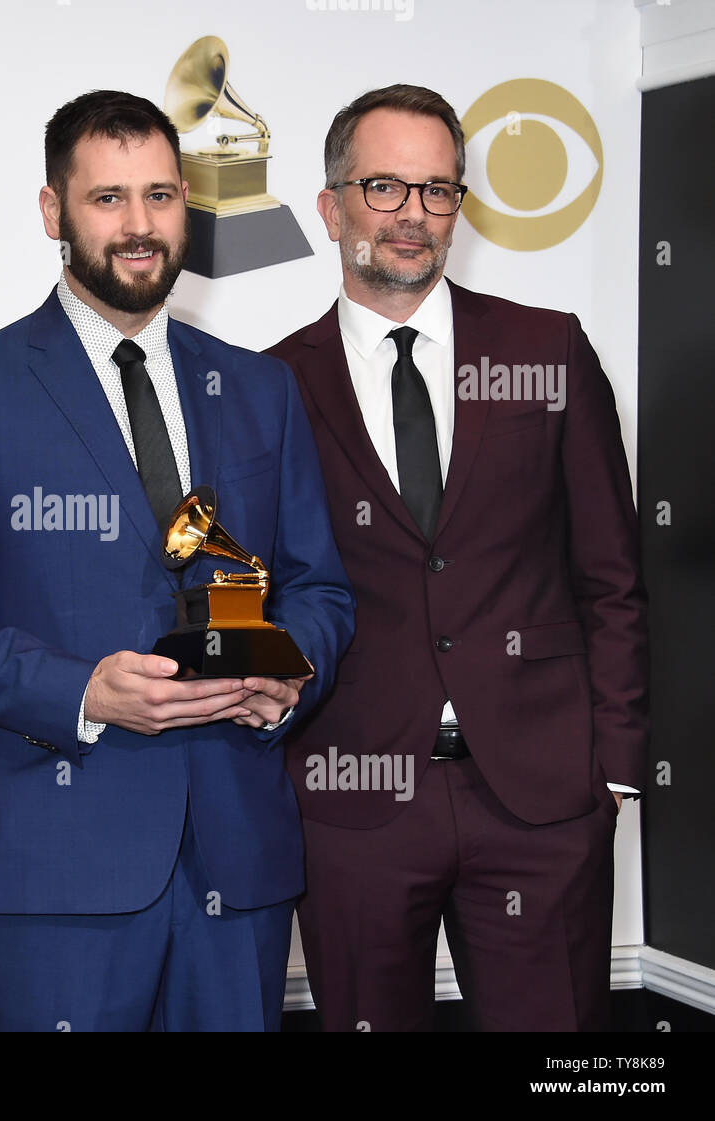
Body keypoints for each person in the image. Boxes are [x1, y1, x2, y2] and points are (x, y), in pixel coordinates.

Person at [0, 90, 354, 1032]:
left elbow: (321, 588)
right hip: (57, 873)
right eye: (108, 199)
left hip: (238, 861)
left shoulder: (261, 388)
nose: (140, 226)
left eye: (162, 195)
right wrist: (84, 692)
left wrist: (286, 669)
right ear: (53, 211)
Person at [266, 84, 647, 1031]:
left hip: (543, 798)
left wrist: (616, 769)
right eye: (385, 187)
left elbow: (613, 574)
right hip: (354, 799)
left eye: (438, 191)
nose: (413, 216)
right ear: (331, 206)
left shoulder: (546, 350)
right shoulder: (270, 384)